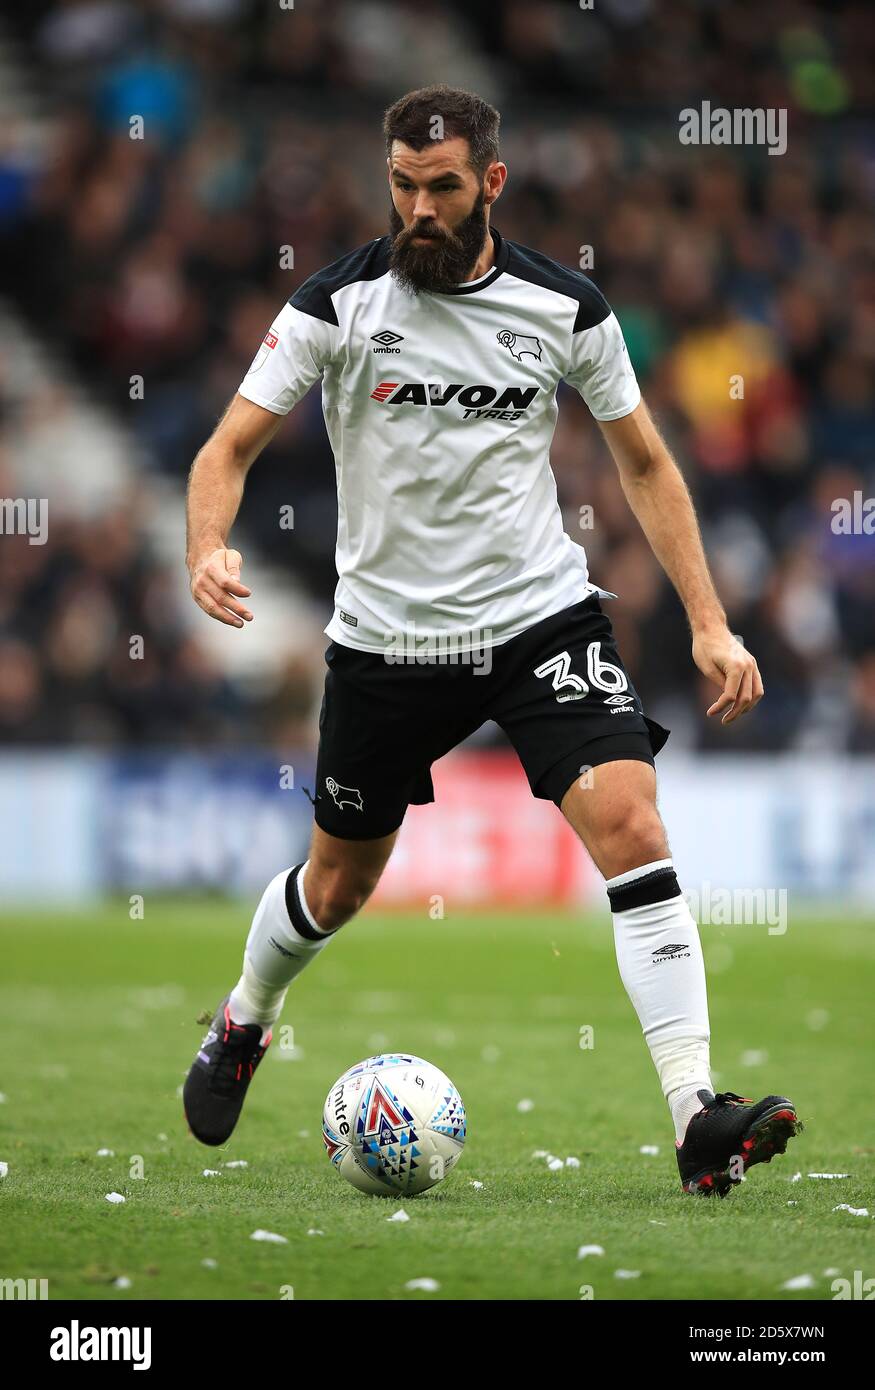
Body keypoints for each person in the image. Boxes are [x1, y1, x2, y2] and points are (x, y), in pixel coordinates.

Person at [183, 86, 800, 1196]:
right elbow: (225, 448)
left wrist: (708, 622)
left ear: (491, 184)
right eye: (402, 188)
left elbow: (647, 463)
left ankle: (694, 1116)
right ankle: (244, 1017)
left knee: (630, 820)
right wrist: (207, 547)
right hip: (384, 643)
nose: (418, 209)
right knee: (335, 885)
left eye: (443, 188)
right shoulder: (336, 305)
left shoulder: (565, 308)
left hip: (534, 618)